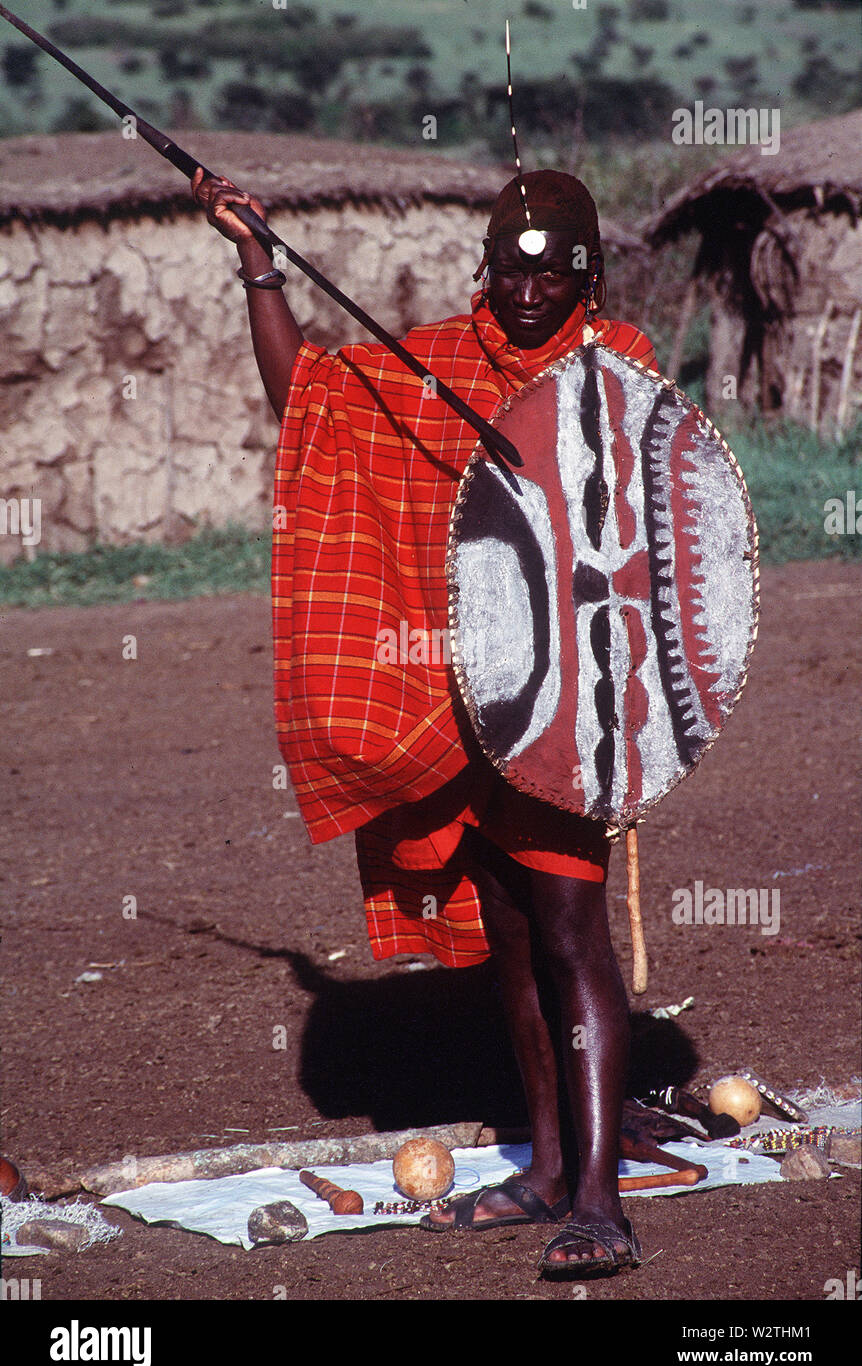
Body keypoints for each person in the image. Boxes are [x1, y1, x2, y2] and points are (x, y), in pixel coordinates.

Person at [192, 164, 658, 1276]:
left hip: (565, 708)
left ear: (587, 277)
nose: (528, 293)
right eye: (508, 270)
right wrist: (259, 259)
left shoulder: (617, 362)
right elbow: (306, 397)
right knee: (510, 940)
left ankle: (601, 1199)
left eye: (551, 274)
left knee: (569, 930)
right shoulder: (433, 362)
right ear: (484, 270)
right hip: (463, 705)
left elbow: (629, 520)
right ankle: (547, 1166)